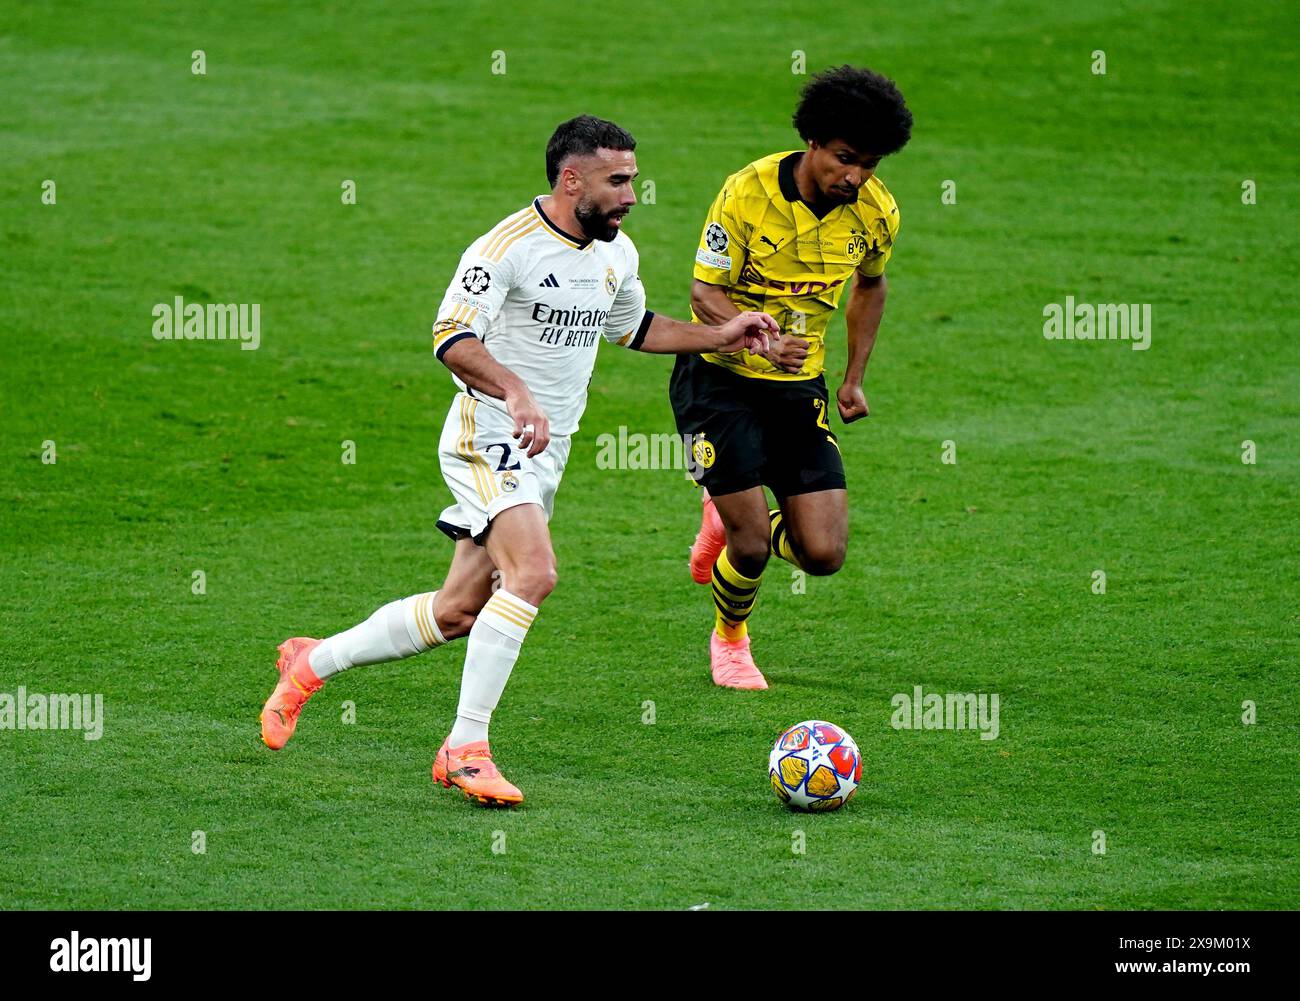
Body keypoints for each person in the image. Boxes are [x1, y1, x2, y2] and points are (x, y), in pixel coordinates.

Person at [259, 115, 776, 805]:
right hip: (489, 430)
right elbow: (451, 336)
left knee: (458, 610)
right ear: (572, 180)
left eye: (634, 180)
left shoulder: (617, 254)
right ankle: (465, 748)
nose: (631, 195)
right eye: (618, 181)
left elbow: (636, 327)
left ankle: (309, 663)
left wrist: (723, 333)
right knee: (533, 574)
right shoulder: (507, 248)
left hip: (543, 450)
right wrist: (515, 387)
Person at [672, 66, 913, 690]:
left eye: (869, 164)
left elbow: (871, 284)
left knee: (824, 554)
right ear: (811, 140)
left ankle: (724, 516)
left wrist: (854, 376)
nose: (854, 177)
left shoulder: (875, 212)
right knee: (750, 548)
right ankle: (730, 642)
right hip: (717, 378)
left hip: (797, 384)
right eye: (844, 159)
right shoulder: (747, 194)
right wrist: (756, 336)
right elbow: (704, 294)